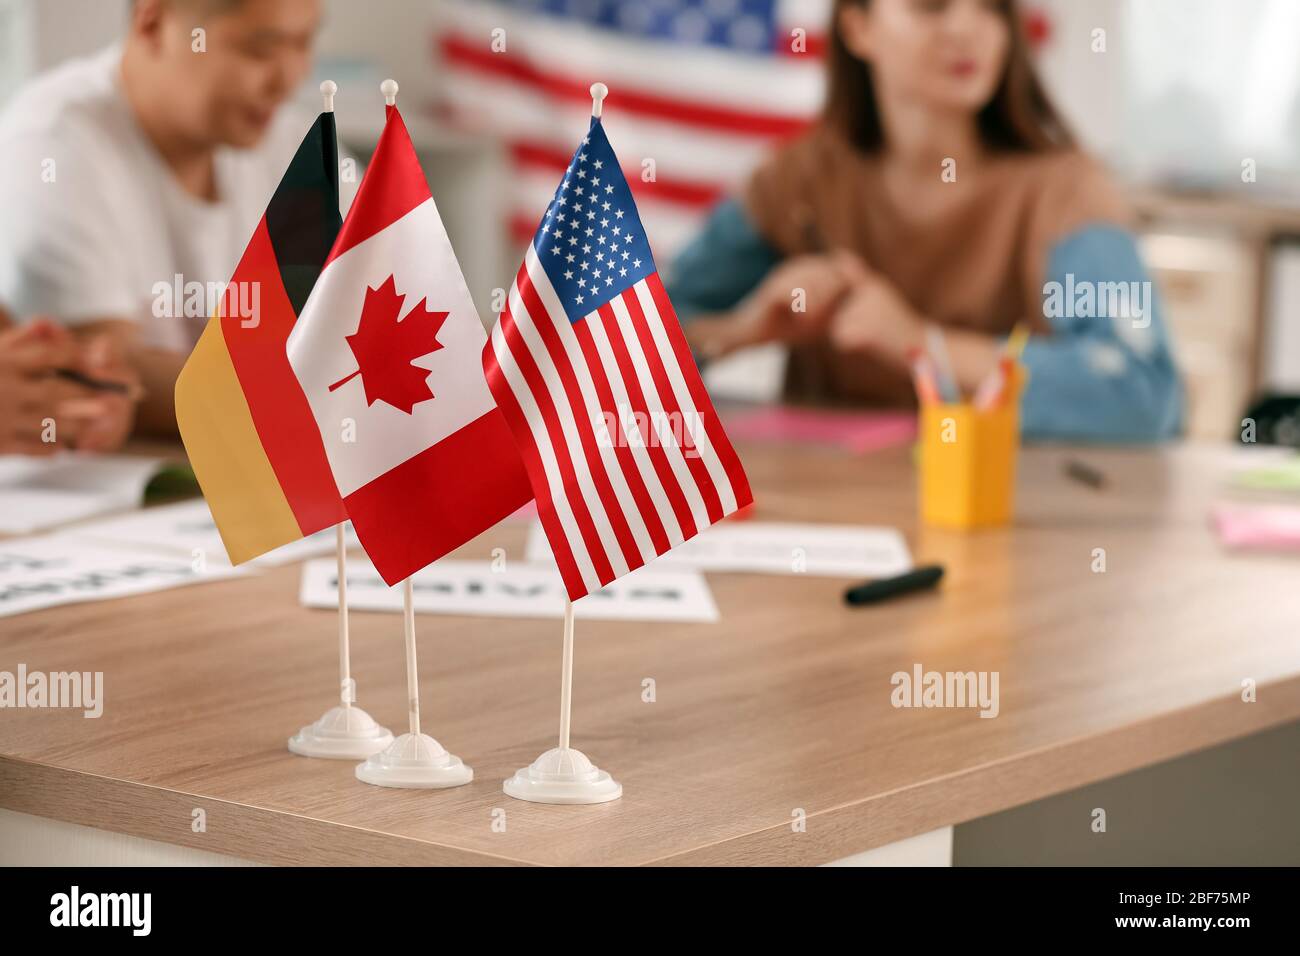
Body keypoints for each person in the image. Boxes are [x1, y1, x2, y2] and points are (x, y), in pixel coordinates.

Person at [669, 0, 1182, 442]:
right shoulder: (798, 180)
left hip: (1005, 525)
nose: (967, 29)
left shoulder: (1067, 191)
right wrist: (741, 330)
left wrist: (920, 343)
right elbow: (616, 344)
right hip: (825, 519)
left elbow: (1143, 392)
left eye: (992, 6)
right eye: (931, 5)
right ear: (858, 28)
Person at [0, 0, 327, 446]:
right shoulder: (52, 139)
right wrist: (331, 401)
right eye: (259, 48)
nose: (288, 80)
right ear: (153, 23)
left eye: (304, 43)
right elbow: (113, 374)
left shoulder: (287, 137)